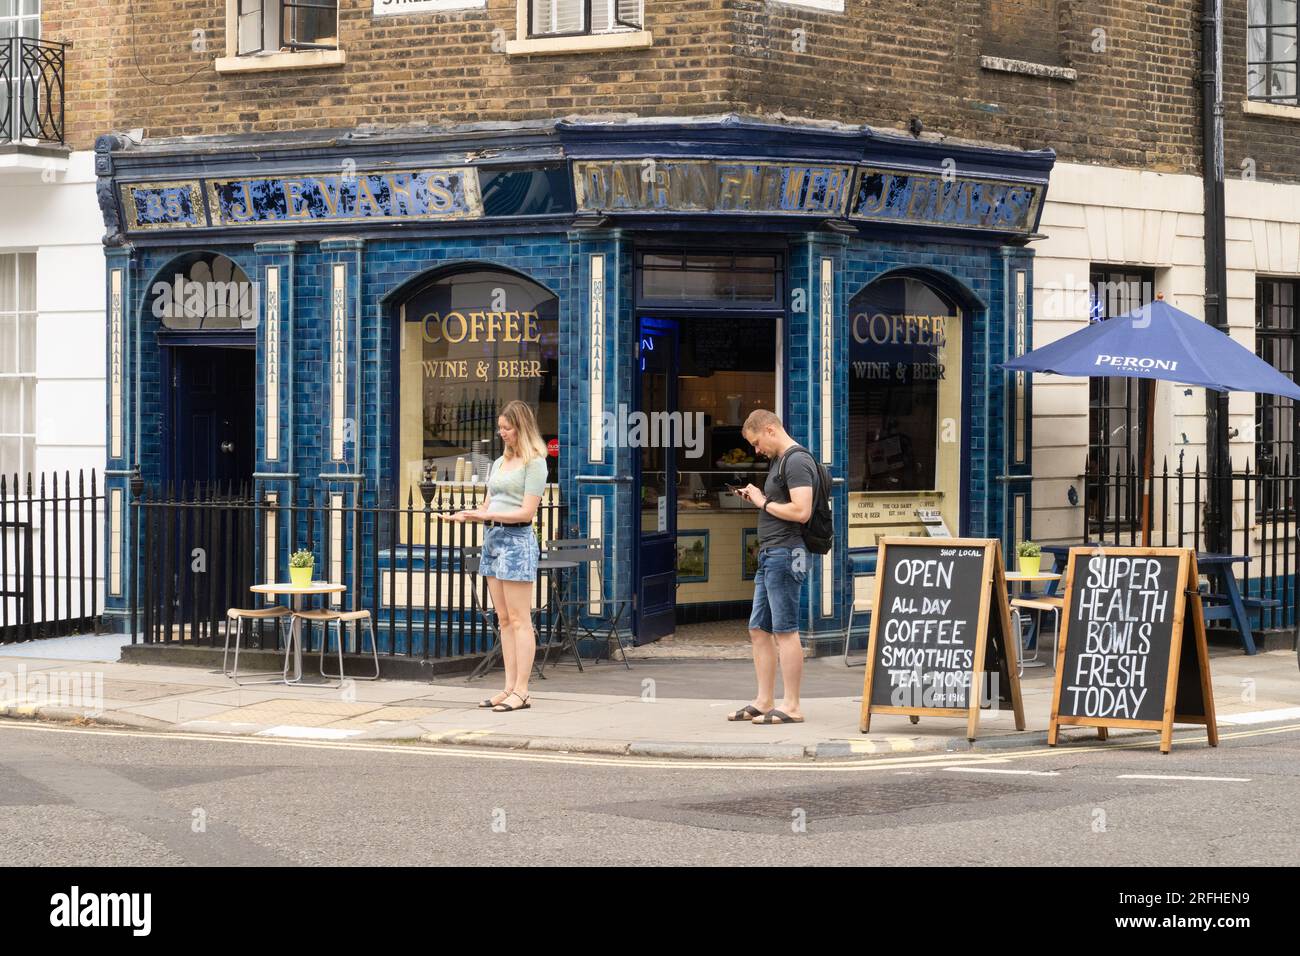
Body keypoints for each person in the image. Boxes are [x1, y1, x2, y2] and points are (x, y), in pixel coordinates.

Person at [450, 400, 547, 713]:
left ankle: (523, 690)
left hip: (517, 540)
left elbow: (527, 511)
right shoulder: (498, 463)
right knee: (504, 619)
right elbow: (487, 508)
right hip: (492, 539)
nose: (502, 433)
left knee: (520, 619)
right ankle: (508, 688)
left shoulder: (536, 463)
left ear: (522, 427)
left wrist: (483, 517)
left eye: (507, 428)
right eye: (500, 428)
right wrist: (466, 515)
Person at [729, 409, 815, 725]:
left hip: (787, 553)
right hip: (770, 554)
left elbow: (802, 511)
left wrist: (762, 502)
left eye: (756, 443)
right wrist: (758, 496)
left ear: (769, 429)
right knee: (758, 629)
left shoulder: (796, 461)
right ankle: (764, 700)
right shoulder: (779, 461)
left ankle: (792, 705)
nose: (756, 450)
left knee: (785, 631)